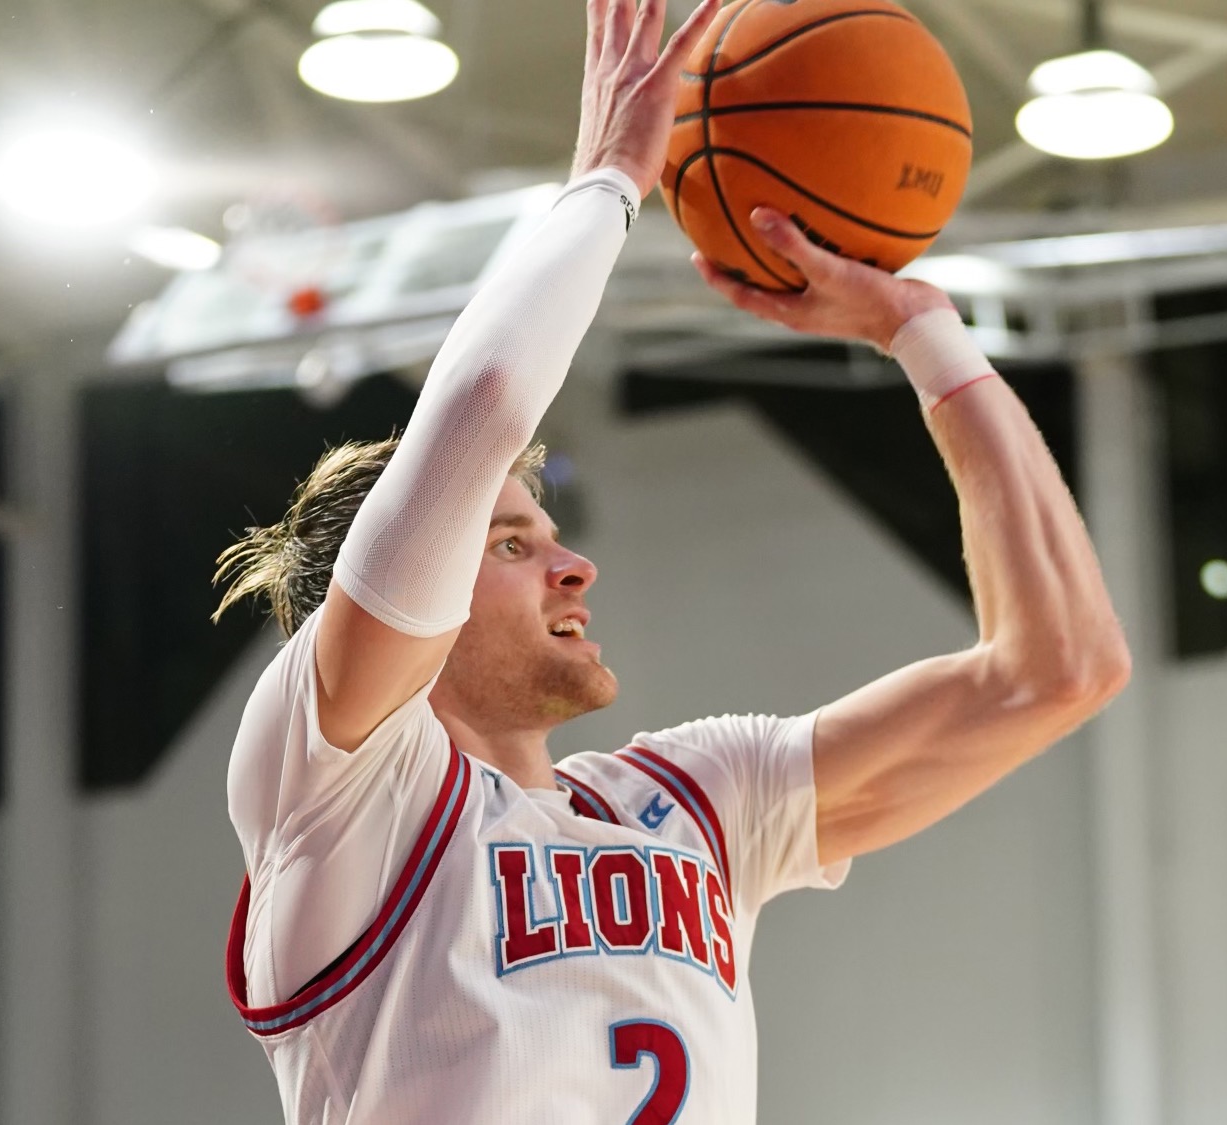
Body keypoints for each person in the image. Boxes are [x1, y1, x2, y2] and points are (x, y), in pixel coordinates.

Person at [214, 0, 1129, 1119]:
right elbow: (482, 407)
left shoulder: (694, 803)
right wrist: (606, 179)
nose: (572, 567)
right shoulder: (341, 785)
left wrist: (920, 327)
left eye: (548, 534)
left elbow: (1059, 669)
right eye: (510, 541)